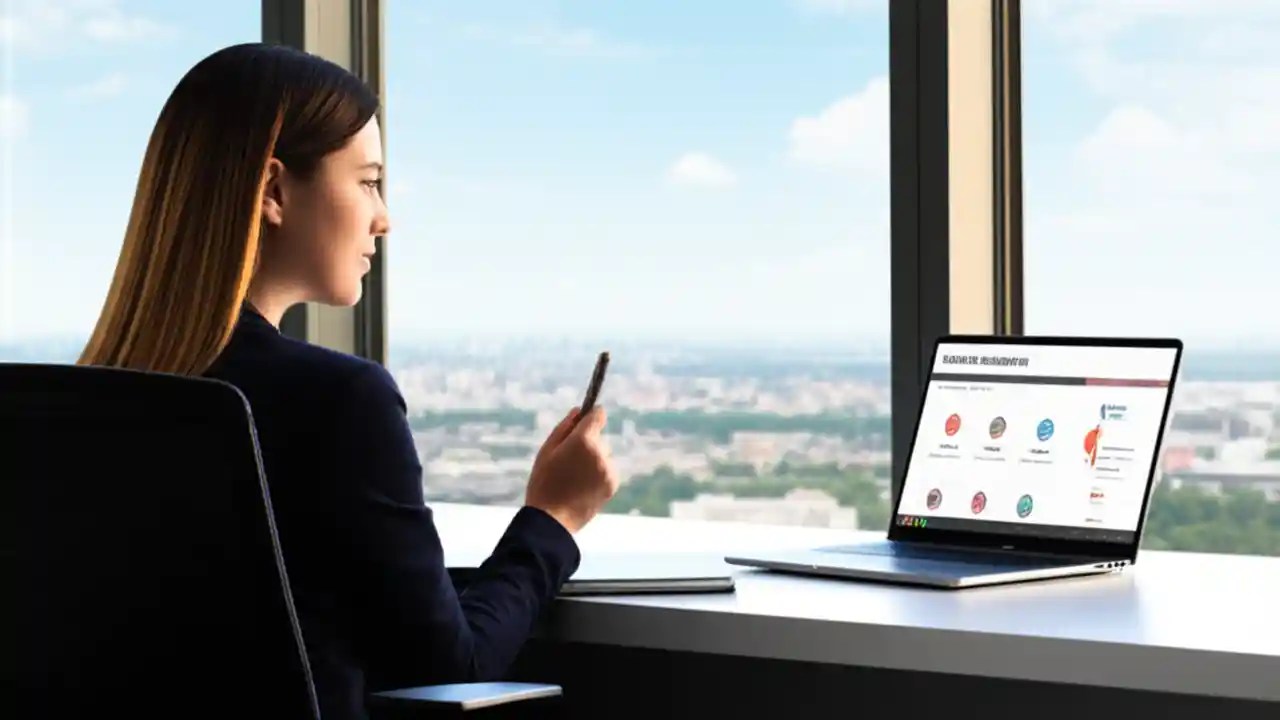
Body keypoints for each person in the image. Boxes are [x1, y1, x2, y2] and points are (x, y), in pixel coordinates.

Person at [78, 42, 619, 720]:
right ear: (273, 191)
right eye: (367, 182)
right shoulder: (339, 402)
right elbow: (453, 667)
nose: (384, 218)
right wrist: (554, 516)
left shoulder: (81, 402)